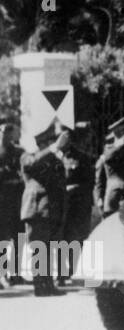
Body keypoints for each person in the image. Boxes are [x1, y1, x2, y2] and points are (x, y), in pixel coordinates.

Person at [21, 125, 68, 297]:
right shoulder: (28, 156)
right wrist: (54, 148)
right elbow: (32, 164)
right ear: (42, 143)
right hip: (36, 209)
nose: (54, 144)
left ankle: (47, 284)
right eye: (50, 141)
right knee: (39, 248)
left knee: (47, 249)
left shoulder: (53, 159)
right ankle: (40, 286)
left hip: (50, 209)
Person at [59, 123, 97, 284]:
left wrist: (75, 188)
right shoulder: (57, 158)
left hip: (78, 203)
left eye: (65, 139)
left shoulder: (82, 158)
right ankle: (61, 273)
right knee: (61, 237)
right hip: (61, 204)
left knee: (77, 238)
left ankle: (73, 270)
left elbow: (90, 182)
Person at [1, 124, 25, 288]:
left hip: (17, 201)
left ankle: (16, 273)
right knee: (2, 240)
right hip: (2, 203)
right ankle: (2, 274)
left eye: (9, 132)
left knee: (18, 238)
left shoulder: (19, 152)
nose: (6, 135)